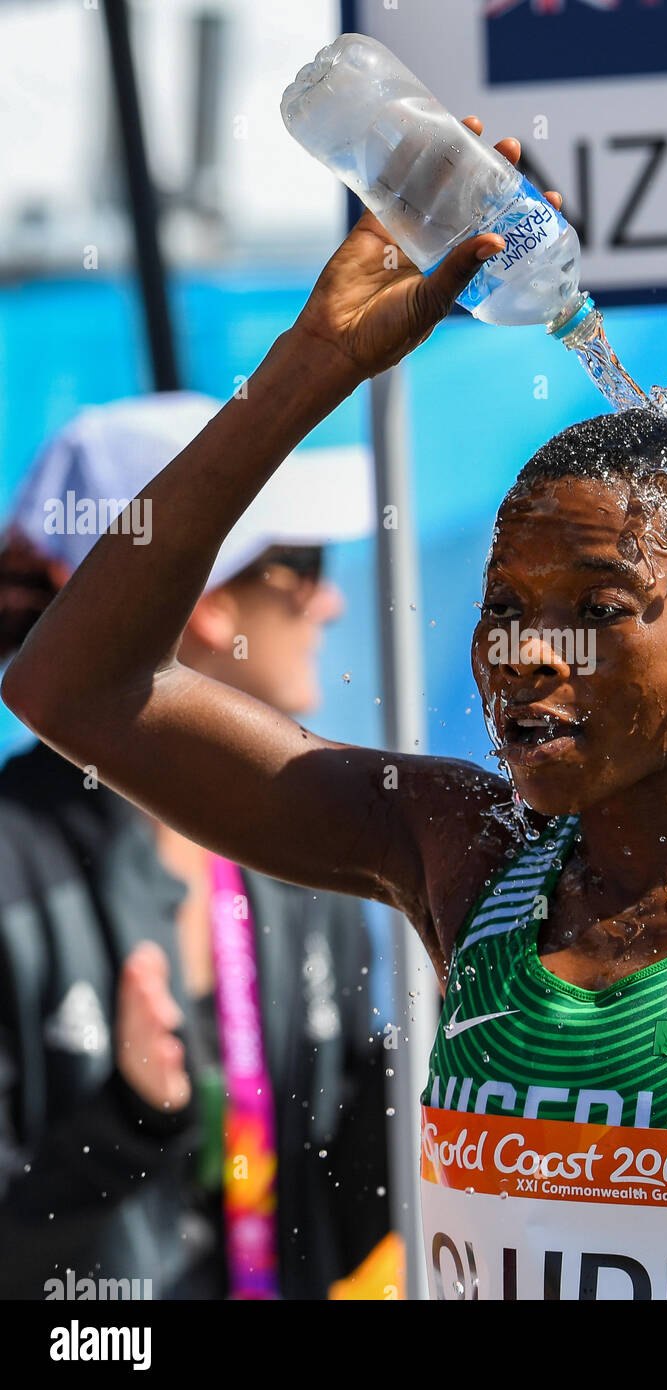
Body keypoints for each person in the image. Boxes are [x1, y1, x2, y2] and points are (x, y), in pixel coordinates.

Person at [3, 118, 667, 1301]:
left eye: (597, 607)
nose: (526, 655)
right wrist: (314, 362)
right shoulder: (460, 853)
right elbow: (73, 692)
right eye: (503, 605)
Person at [0, 394, 391, 1299]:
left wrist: (454, 1043)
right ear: (204, 601)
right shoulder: (13, 866)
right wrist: (128, 1121)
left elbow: (347, 1199)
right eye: (301, 564)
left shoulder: (308, 852)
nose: (329, 600)